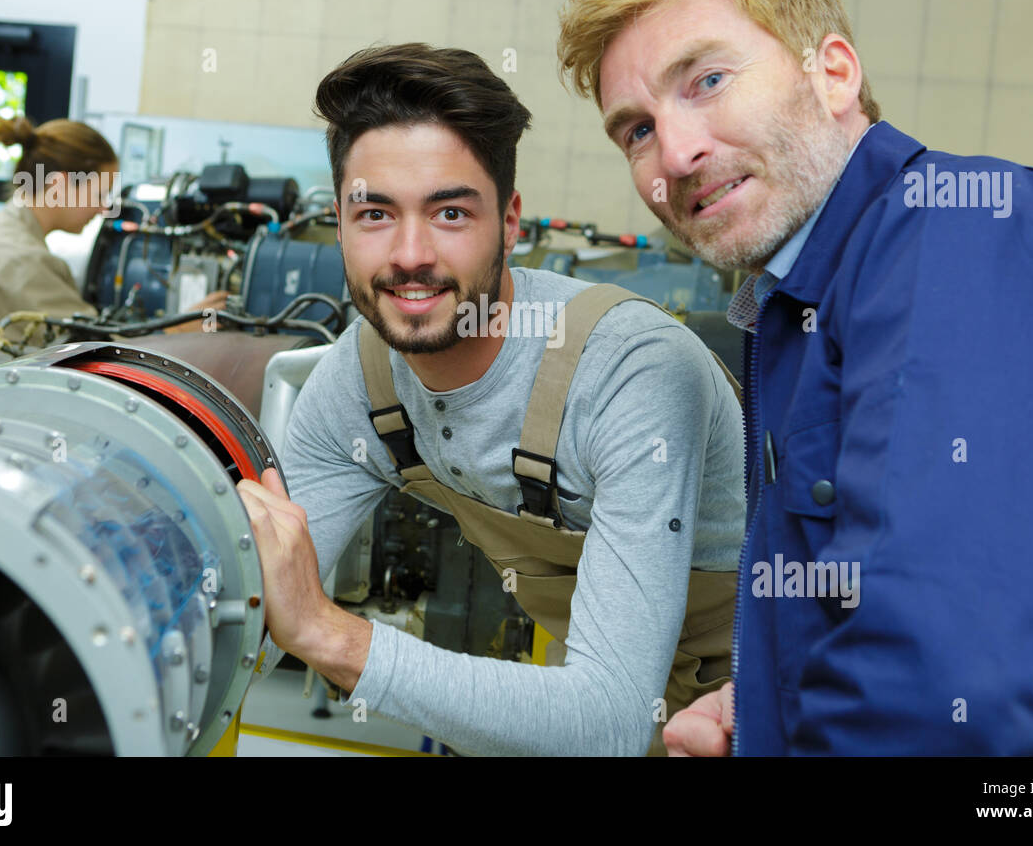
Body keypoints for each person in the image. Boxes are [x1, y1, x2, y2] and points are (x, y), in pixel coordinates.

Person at [556, 0, 1033, 755]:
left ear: (833, 73)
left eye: (708, 80)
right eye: (636, 130)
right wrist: (771, 707)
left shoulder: (963, 236)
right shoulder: (811, 298)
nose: (677, 154)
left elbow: (941, 680)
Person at [234, 43, 746, 756]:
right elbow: (252, 609)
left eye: (449, 213)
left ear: (509, 221)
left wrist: (329, 634)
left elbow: (608, 721)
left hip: (776, 713)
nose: (410, 254)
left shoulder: (630, 370)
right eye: (375, 213)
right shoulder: (359, 381)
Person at [0, 115, 224, 382]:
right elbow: (98, 353)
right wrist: (176, 331)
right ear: (59, 186)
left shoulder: (10, 234)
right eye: (100, 193)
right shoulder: (15, 256)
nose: (103, 207)